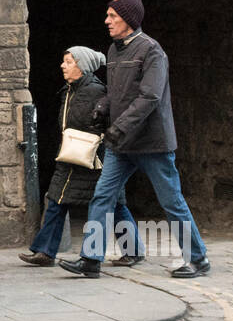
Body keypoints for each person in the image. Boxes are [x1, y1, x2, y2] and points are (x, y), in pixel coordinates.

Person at [60, 0, 211, 279]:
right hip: (122, 143)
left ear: (128, 20)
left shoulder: (152, 51)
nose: (107, 21)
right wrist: (104, 107)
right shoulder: (114, 51)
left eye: (112, 16)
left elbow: (149, 96)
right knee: (102, 196)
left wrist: (120, 126)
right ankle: (91, 260)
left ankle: (198, 259)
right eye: (107, 15)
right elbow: (117, 92)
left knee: (171, 201)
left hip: (152, 143)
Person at [19, 46, 146, 268]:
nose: (62, 66)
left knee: (114, 203)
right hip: (71, 156)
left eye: (68, 62)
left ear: (82, 66)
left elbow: (108, 123)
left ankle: (133, 251)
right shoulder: (70, 90)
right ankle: (45, 251)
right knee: (57, 199)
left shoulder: (96, 92)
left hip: (93, 159)